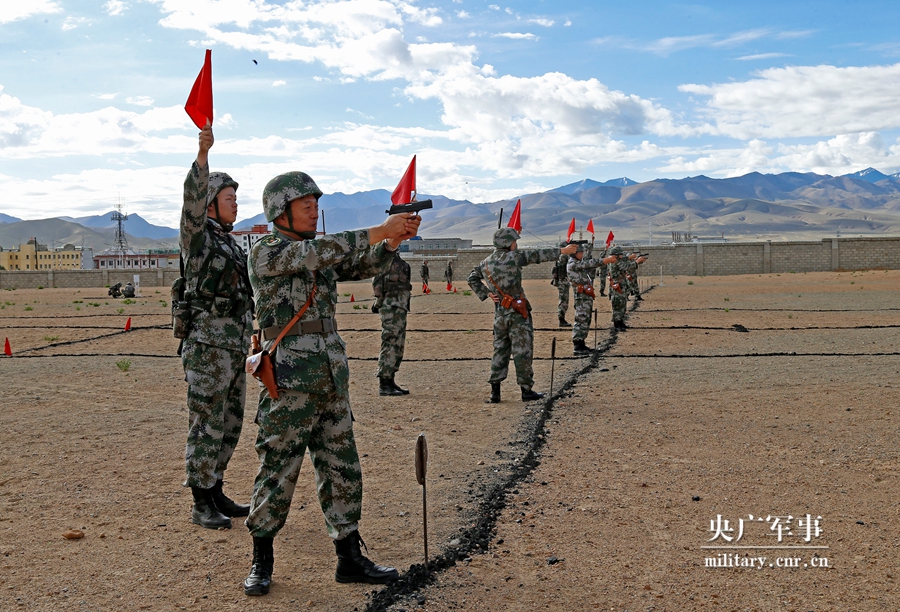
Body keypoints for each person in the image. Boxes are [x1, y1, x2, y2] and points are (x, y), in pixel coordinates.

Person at [242, 171, 421, 596]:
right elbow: (321, 251)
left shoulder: (314, 254)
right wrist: (379, 228)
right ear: (279, 210)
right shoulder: (267, 251)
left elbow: (357, 262)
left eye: (315, 204)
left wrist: (392, 241)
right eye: (305, 204)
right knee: (277, 469)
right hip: (288, 380)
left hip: (329, 376)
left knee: (342, 467)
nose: (314, 210)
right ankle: (261, 559)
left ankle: (349, 558)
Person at [179, 124, 254, 530]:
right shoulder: (198, 239)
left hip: (233, 344)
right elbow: (190, 204)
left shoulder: (229, 241)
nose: (236, 204)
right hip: (207, 345)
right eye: (229, 198)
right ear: (209, 203)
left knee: (230, 421)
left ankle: (216, 489)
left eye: (237, 199)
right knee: (206, 422)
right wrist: (202, 157)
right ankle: (200, 501)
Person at [467, 228, 577, 403]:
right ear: (506, 243)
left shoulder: (485, 263)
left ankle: (495, 392)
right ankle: (526, 390)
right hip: (518, 313)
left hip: (500, 314)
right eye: (514, 241)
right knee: (522, 351)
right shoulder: (514, 258)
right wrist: (562, 251)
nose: (516, 245)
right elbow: (536, 255)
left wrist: (487, 293)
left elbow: (472, 278)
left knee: (500, 351)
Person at [372, 251, 412, 396]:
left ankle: (391, 379)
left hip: (401, 308)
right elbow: (377, 284)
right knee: (390, 342)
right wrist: (377, 304)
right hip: (389, 308)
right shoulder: (384, 264)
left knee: (398, 344)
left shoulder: (402, 264)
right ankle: (384, 383)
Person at [567, 243, 606, 355]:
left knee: (586, 319)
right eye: (580, 253)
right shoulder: (573, 264)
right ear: (574, 254)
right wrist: (605, 260)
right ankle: (577, 346)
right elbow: (589, 263)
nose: (582, 254)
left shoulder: (578, 263)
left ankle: (582, 343)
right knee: (581, 318)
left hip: (585, 295)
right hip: (581, 296)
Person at [606, 246, 629, 330]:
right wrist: (636, 261)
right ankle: (617, 323)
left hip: (621, 285)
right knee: (617, 304)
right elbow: (626, 267)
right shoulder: (614, 262)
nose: (622, 256)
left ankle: (620, 321)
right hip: (617, 285)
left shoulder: (617, 261)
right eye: (620, 254)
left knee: (622, 304)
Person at [550, 243, 571, 327]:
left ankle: (562, 319)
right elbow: (563, 269)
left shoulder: (560, 256)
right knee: (563, 301)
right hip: (563, 281)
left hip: (562, 281)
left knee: (563, 300)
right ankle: (561, 320)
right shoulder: (563, 256)